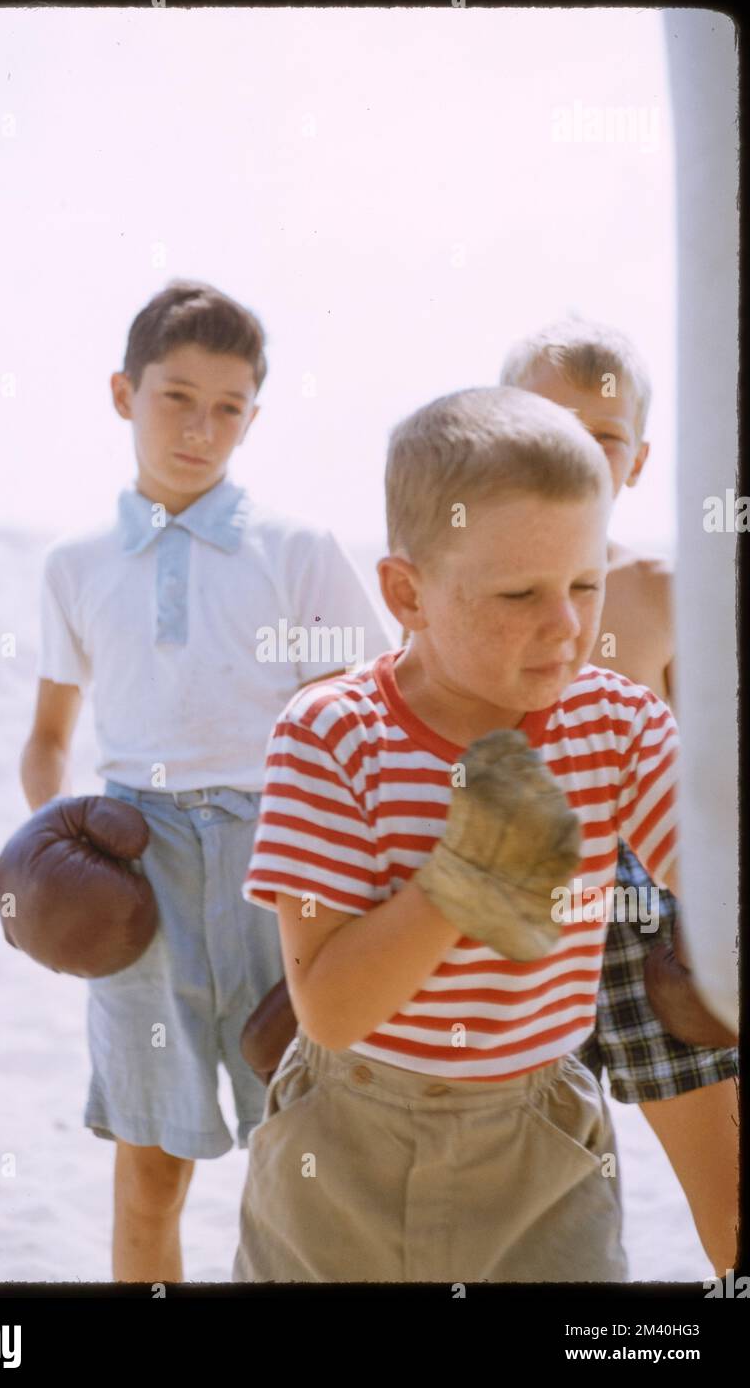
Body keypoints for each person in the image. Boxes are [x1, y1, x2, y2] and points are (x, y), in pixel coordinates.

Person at [232, 384, 680, 1282]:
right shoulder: (334, 736)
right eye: (520, 592)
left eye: (586, 584)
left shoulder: (620, 727)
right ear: (408, 592)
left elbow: (716, 876)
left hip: (541, 1143)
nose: (566, 626)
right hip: (346, 1139)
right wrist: (465, 881)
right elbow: (329, 1005)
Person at [19, 279, 393, 1282]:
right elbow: (48, 736)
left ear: (255, 417)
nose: (201, 427)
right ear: (121, 393)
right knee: (151, 1173)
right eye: (176, 396)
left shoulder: (298, 550)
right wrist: (48, 855)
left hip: (284, 872)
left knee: (312, 1161)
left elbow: (372, 725)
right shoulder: (74, 563)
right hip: (132, 876)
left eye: (229, 406)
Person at [500, 318, 738, 1276]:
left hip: (649, 907)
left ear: (638, 460)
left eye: (607, 435)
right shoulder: (467, 581)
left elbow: (709, 781)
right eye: (552, 423)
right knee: (521, 1215)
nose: (581, 449)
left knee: (726, 1193)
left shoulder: (667, 589)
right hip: (514, 906)